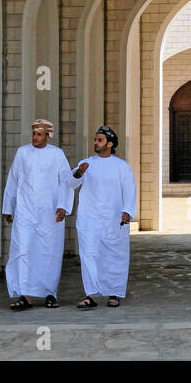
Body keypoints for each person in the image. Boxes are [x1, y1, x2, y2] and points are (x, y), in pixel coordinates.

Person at [1, 119, 73, 310]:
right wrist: (8, 207)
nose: (35, 137)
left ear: (48, 136)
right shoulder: (22, 153)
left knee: (48, 252)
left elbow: (66, 181)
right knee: (22, 250)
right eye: (34, 133)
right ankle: (24, 296)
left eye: (39, 134)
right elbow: (13, 180)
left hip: (49, 214)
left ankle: (50, 293)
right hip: (25, 211)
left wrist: (63, 206)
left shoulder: (57, 154)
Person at [68, 125, 137, 309]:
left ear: (110, 144)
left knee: (113, 255)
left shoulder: (122, 167)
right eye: (95, 139)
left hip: (113, 219)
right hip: (89, 219)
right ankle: (90, 295)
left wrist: (127, 211)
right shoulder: (87, 163)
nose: (95, 143)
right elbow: (71, 183)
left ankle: (114, 293)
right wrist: (79, 172)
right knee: (89, 255)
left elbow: (130, 191)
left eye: (99, 140)